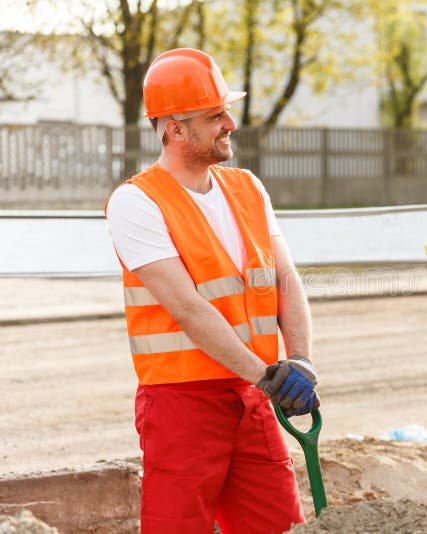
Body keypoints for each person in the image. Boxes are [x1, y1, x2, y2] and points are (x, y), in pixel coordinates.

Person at [105, 48, 320, 533]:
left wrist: (300, 360)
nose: (230, 123)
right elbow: (187, 308)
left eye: (226, 110)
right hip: (183, 406)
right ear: (174, 128)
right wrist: (269, 377)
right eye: (214, 115)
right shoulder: (136, 202)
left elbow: (286, 279)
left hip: (253, 395)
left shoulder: (247, 188)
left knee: (280, 526)